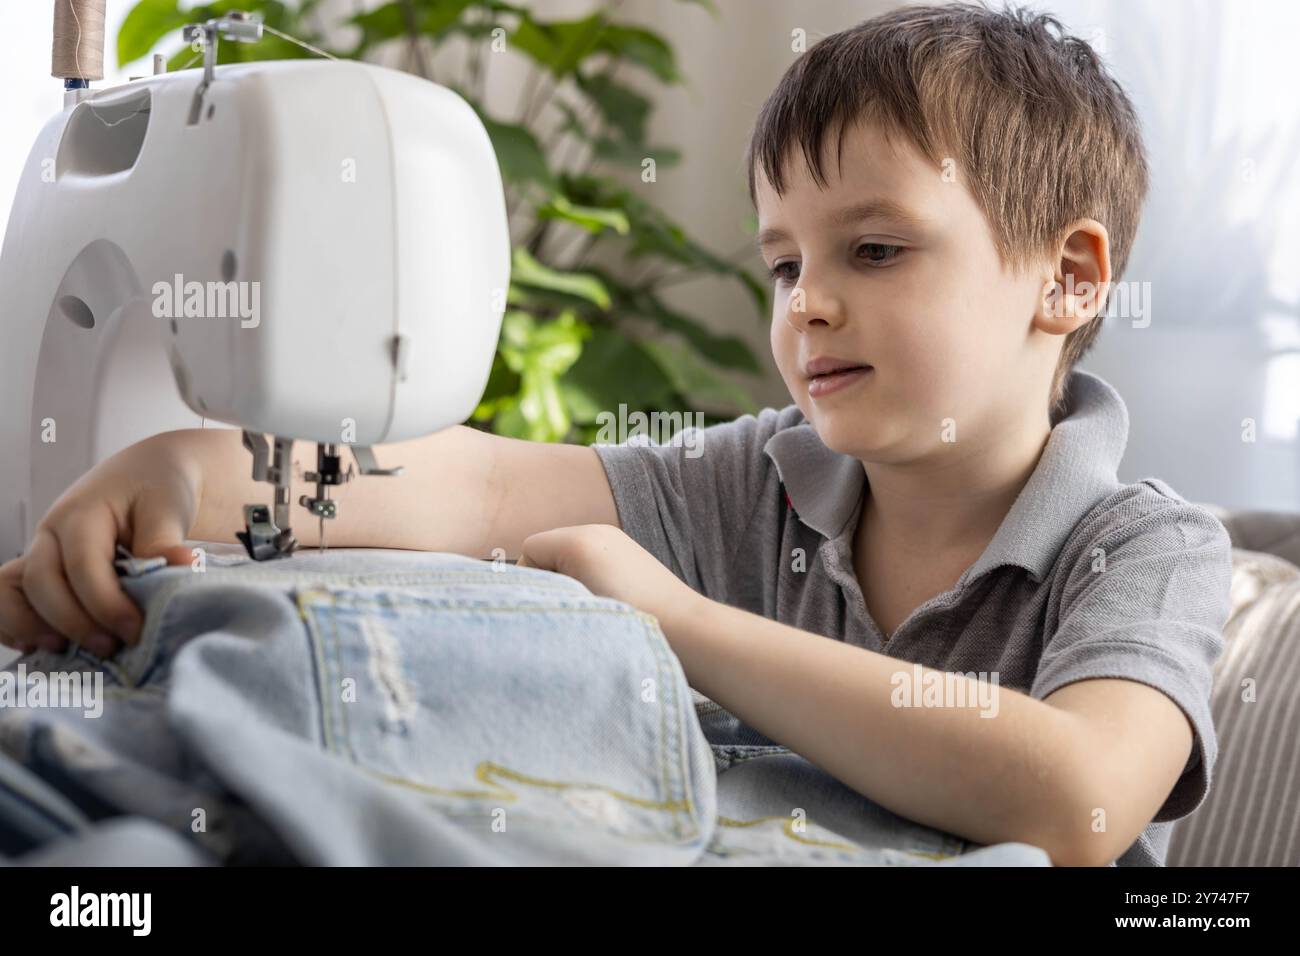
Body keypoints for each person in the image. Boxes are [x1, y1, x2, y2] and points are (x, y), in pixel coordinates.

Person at [0, 4, 1232, 867]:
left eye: (873, 249)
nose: (805, 301)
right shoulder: (750, 479)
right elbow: (476, 484)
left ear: (1068, 278)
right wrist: (206, 470)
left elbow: (1075, 800)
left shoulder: (1145, 546)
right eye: (782, 261)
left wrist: (682, 621)